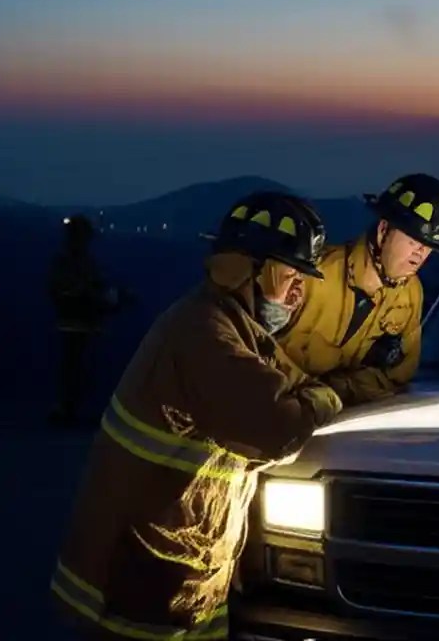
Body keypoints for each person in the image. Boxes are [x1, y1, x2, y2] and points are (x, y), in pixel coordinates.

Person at [50, 192, 344, 641]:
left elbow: (296, 384)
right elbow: (278, 427)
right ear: (251, 272)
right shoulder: (204, 333)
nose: (297, 295)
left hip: (187, 577)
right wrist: (326, 399)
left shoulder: (240, 329)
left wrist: (314, 394)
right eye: (290, 277)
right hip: (144, 574)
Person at [277, 173, 439, 406]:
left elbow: (397, 375)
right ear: (383, 230)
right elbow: (254, 347)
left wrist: (338, 390)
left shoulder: (411, 294)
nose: (420, 254)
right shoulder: (313, 275)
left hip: (345, 421)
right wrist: (301, 391)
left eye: (428, 247)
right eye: (413, 241)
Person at [47, 214, 124, 426]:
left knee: (77, 369)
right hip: (76, 325)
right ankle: (68, 409)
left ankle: (71, 408)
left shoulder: (75, 260)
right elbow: (70, 289)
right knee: (74, 369)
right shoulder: (68, 261)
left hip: (81, 324)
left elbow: (88, 286)